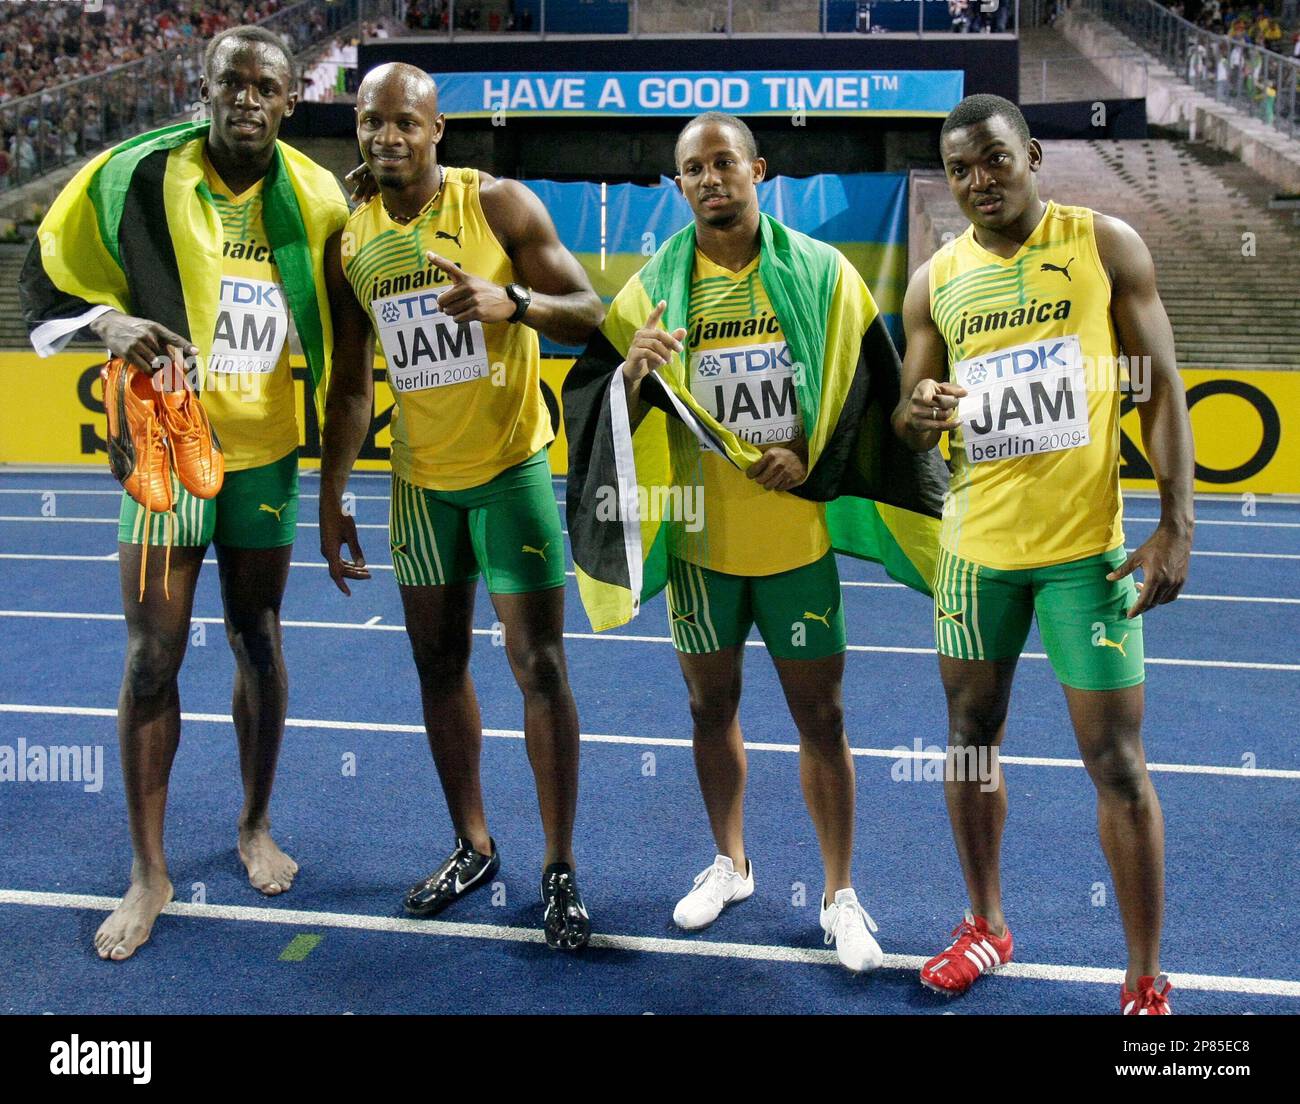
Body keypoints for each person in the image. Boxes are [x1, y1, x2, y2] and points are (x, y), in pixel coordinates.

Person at [562, 112, 946, 972]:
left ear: (757, 170)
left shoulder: (822, 274)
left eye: (723, 162)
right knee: (710, 708)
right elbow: (596, 410)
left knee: (823, 717)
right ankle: (730, 864)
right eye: (692, 168)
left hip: (794, 541)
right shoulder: (650, 291)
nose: (709, 179)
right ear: (679, 184)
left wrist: (812, 453)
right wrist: (630, 371)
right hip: (702, 544)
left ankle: (841, 895)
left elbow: (865, 391)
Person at [19, 27, 350, 961]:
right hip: (164, 456)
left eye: (267, 87)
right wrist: (106, 318)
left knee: (259, 636)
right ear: (201, 88)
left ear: (292, 102)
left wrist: (338, 482)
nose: (247, 99)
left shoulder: (319, 198)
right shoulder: (132, 175)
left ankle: (252, 824)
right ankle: (149, 870)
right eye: (230, 82)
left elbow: (356, 318)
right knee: (152, 655)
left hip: (266, 457)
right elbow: (40, 278)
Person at [895, 95, 1194, 1014]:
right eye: (959, 169)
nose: (978, 180)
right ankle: (985, 924)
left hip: (1083, 556)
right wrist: (924, 411)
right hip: (976, 555)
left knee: (1115, 763)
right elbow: (906, 420)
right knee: (969, 743)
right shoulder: (934, 280)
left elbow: (1160, 388)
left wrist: (1176, 523)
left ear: (1030, 155)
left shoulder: (1105, 246)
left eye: (992, 160)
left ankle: (1145, 978)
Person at [318, 63, 604, 950]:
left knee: (539, 665)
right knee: (437, 668)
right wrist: (331, 497)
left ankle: (558, 868)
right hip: (417, 484)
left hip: (511, 472)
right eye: (372, 123)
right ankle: (473, 845)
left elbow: (592, 313)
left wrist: (511, 302)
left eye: (405, 121)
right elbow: (352, 382)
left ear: (438, 128)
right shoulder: (350, 241)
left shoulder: (499, 207)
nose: (387, 137)